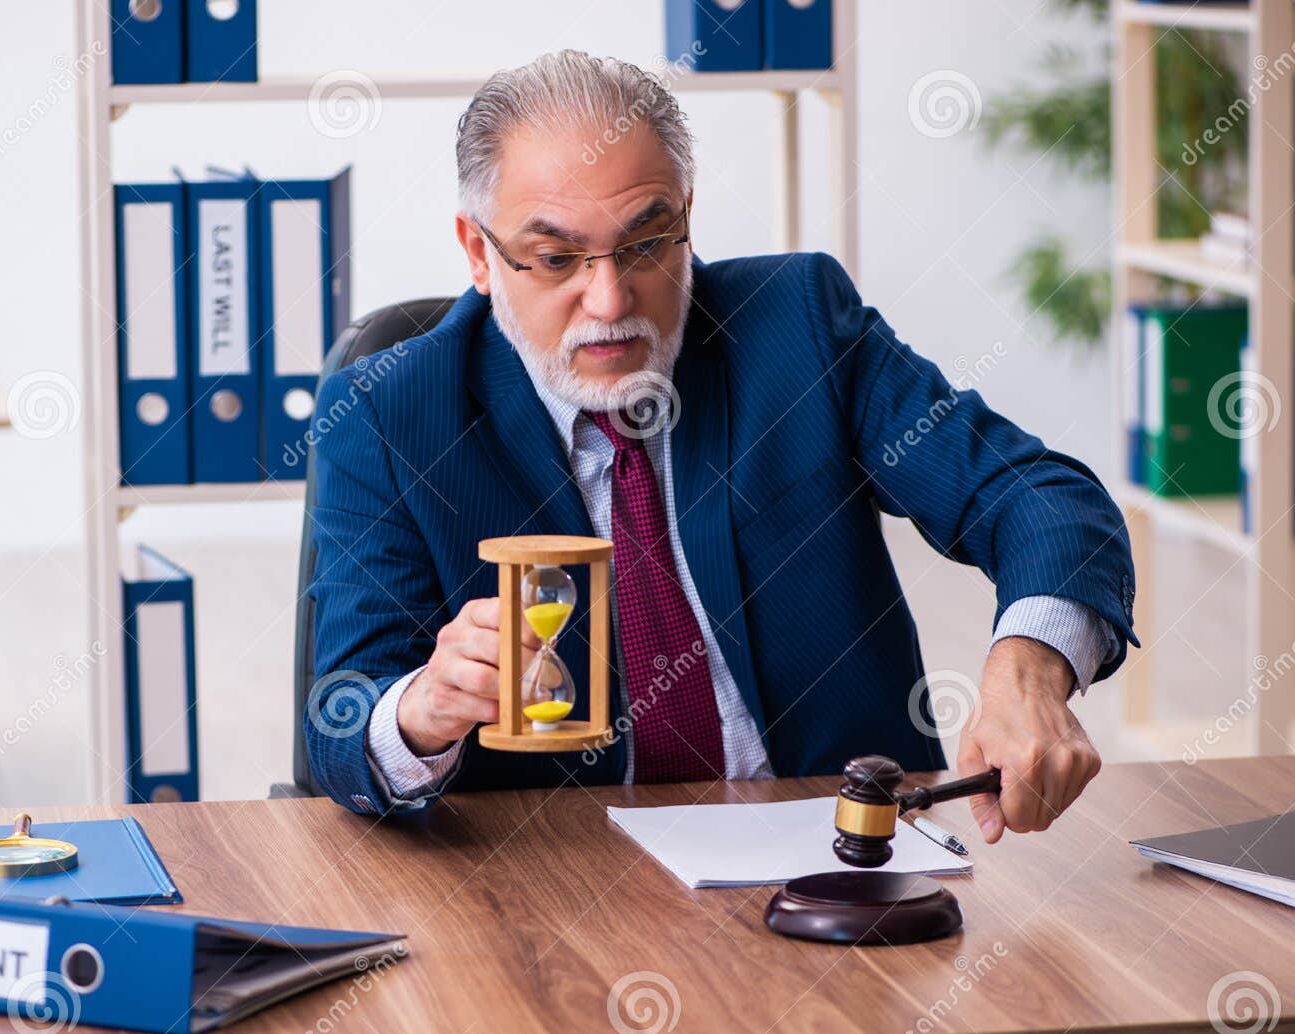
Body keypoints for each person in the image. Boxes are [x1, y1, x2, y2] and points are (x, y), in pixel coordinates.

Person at [304, 50, 1136, 844]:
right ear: (480, 252)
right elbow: (340, 716)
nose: (609, 300)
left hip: (836, 860)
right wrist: (418, 710)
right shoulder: (387, 415)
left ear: (687, 218)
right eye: (557, 258)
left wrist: (1028, 667)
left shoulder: (798, 327)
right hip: (555, 892)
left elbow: (1041, 497)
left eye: (645, 243)